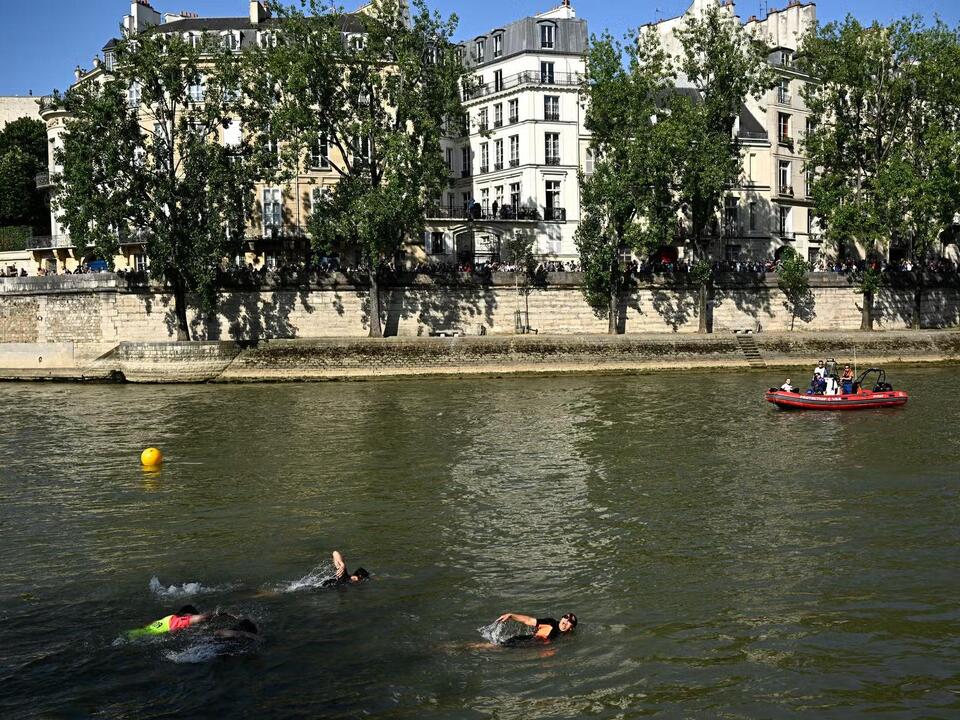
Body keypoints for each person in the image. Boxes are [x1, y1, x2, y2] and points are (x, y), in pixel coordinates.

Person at [126, 605, 212, 639]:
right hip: (143, 637)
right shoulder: (180, 620)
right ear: (186, 615)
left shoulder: (169, 617)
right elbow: (201, 617)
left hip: (134, 633)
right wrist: (218, 614)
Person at [495, 612, 577, 645]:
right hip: (525, 641)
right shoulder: (550, 623)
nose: (566, 620)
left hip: (534, 647)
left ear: (571, 628)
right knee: (497, 647)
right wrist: (511, 616)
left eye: (570, 621)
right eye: (566, 617)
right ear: (562, 618)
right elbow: (529, 620)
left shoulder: (567, 634)